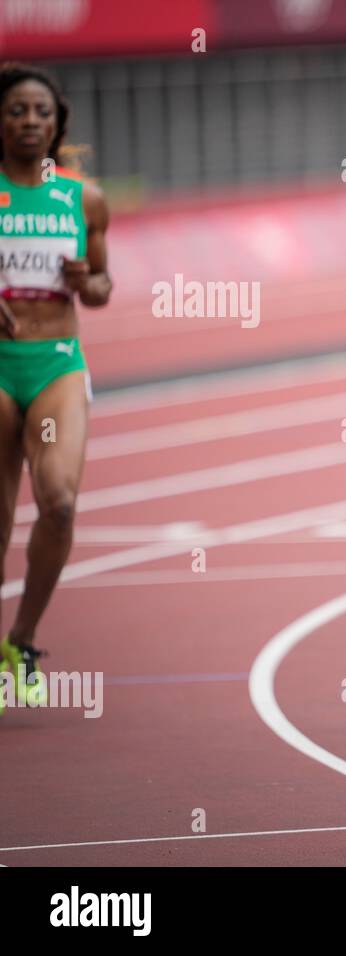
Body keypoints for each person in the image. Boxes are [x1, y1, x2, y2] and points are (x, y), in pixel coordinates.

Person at [0, 63, 111, 715]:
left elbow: (101, 287)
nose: (31, 122)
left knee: (60, 503)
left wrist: (84, 281)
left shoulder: (83, 198)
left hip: (56, 365)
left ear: (57, 121)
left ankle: (22, 640)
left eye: (41, 111)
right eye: (17, 111)